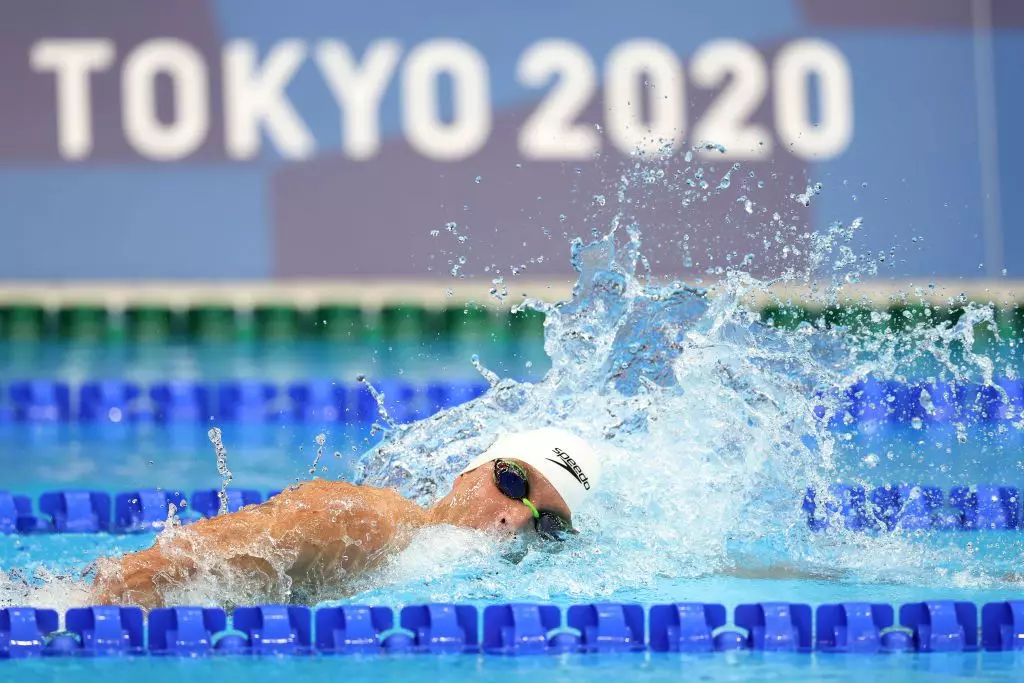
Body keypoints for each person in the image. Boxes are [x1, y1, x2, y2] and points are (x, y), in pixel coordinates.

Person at [92, 427, 601, 608]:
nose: (515, 519)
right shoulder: (364, 522)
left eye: (548, 524)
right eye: (513, 482)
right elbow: (164, 564)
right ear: (467, 473)